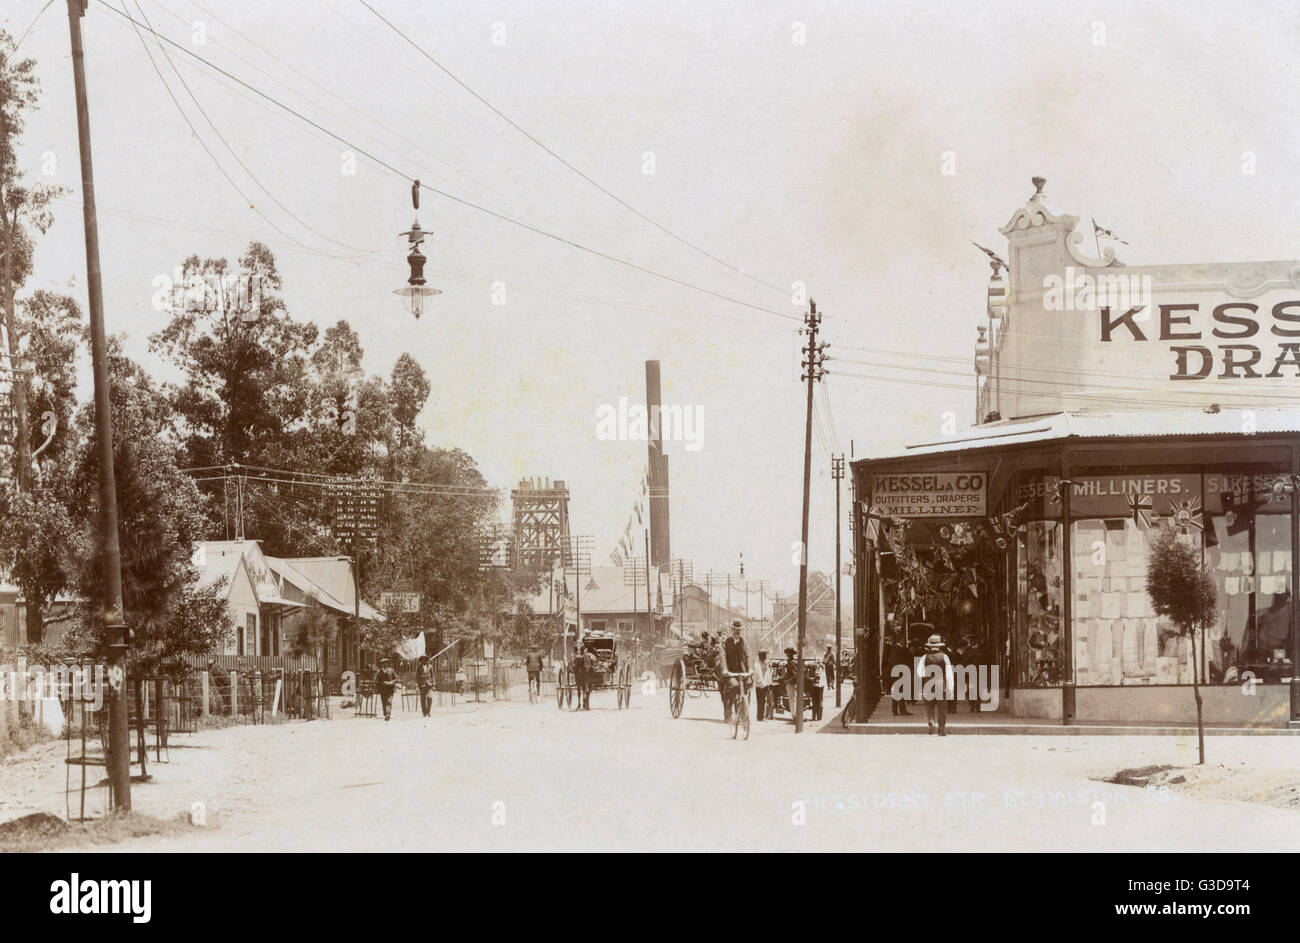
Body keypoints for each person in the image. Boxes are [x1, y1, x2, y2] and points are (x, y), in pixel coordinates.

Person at [915, 634, 954, 736]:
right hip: (942, 686)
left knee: (930, 706)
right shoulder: (944, 657)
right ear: (940, 645)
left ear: (929, 646)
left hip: (928, 685)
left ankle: (931, 720)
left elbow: (919, 672)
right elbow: (949, 674)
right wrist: (951, 687)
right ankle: (941, 729)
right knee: (942, 708)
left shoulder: (924, 657)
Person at [721, 620, 749, 721]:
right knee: (734, 686)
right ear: (732, 630)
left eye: (739, 630)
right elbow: (723, 655)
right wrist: (724, 669)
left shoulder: (743, 641)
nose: (737, 632)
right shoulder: (726, 642)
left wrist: (749, 669)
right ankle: (728, 710)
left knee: (747, 687)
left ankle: (744, 714)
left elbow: (747, 655)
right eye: (735, 630)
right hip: (730, 672)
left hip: (742, 671)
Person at [885, 633, 912, 716]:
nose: (905, 643)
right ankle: (897, 710)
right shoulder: (897, 649)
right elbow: (898, 661)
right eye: (904, 641)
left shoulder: (897, 648)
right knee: (897, 692)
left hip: (898, 673)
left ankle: (901, 710)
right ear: (901, 640)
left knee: (900, 692)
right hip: (898, 674)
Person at [375, 657, 399, 721]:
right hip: (382, 689)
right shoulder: (379, 672)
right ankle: (385, 713)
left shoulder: (391, 670)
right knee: (384, 702)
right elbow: (376, 681)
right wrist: (382, 683)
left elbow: (396, 679)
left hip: (390, 689)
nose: (385, 665)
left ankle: (388, 714)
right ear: (381, 665)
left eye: (386, 663)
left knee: (389, 701)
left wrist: (391, 682)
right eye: (383, 664)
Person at [753, 650, 773, 721]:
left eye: (765, 655)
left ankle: (762, 716)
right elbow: (758, 676)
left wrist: (769, 682)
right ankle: (760, 717)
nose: (764, 656)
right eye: (763, 655)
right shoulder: (757, 664)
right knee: (760, 701)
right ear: (759, 656)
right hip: (760, 685)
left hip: (766, 683)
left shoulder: (766, 663)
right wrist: (762, 684)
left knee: (764, 701)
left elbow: (768, 673)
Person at [782, 647, 799, 722]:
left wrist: (786, 681)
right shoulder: (791, 662)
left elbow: (795, 675)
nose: (787, 654)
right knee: (793, 699)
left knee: (792, 699)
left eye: (788, 653)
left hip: (791, 682)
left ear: (791, 654)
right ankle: (795, 715)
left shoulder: (792, 662)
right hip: (791, 682)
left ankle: (795, 716)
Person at [580, 645, 599, 710]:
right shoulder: (582, 655)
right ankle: (585, 702)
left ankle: (586, 702)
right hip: (584, 672)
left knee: (588, 687)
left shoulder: (591, 655)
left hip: (589, 672)